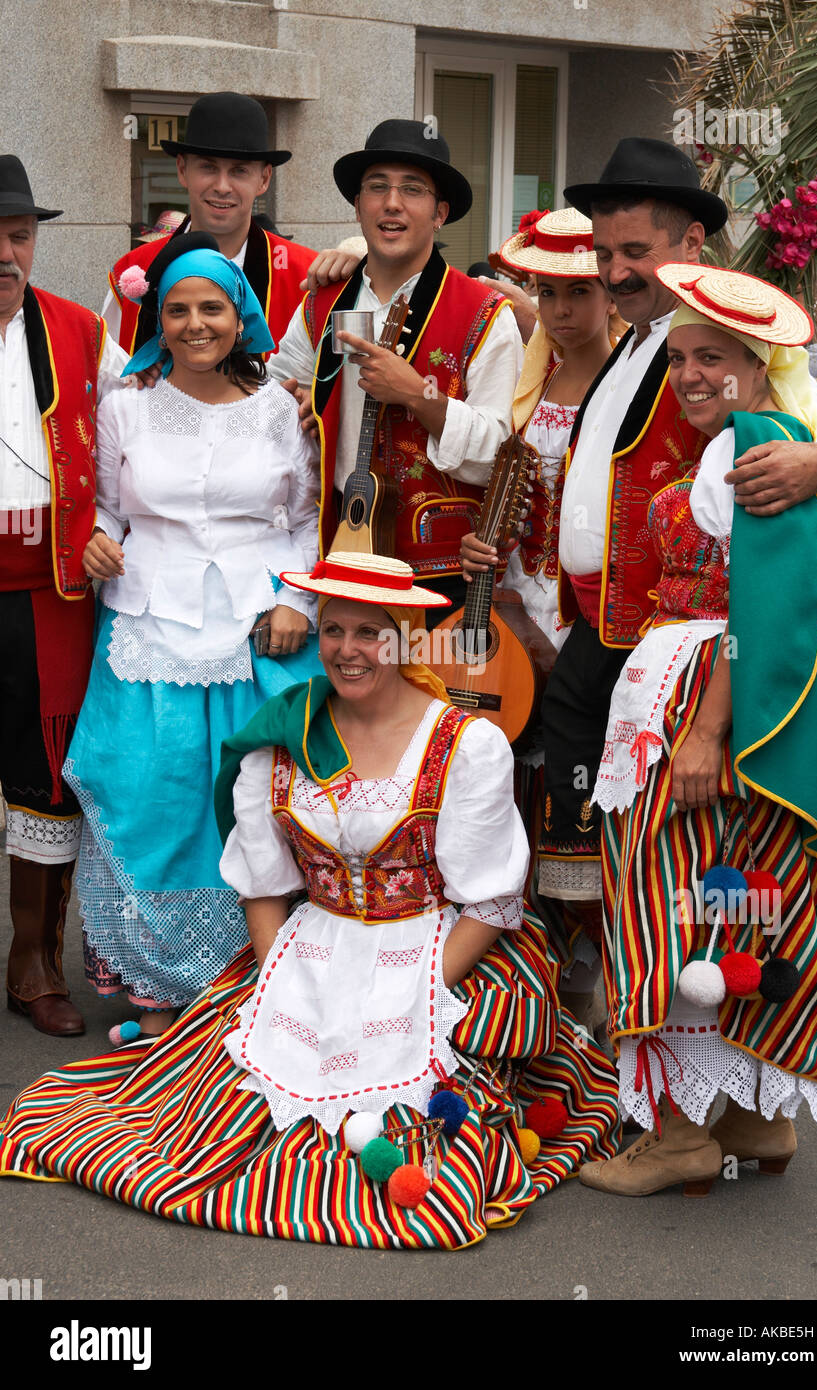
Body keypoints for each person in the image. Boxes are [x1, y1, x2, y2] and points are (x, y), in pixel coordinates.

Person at [0, 553, 620, 1251]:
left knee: (424, 1096)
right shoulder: (284, 733)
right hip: (312, 942)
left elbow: (491, 904)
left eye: (369, 633)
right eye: (333, 631)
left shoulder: (465, 744)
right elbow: (264, 885)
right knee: (230, 1090)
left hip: (440, 944)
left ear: (407, 637)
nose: (348, 651)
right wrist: (279, 981)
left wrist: (408, 994)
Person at [580, 264, 817, 1196]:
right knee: (753, 899)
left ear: (761, 365)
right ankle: (758, 1120)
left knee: (673, 903)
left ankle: (678, 1139)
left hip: (713, 704)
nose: (692, 375)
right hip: (757, 707)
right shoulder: (794, 434)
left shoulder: (755, 448)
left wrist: (703, 733)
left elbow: (762, 602)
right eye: (681, 358)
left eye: (715, 359)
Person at [539, 137, 817, 931]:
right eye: (603, 252)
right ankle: (612, 987)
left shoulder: (732, 348)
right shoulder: (639, 340)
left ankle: (708, 996)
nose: (614, 273)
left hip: (697, 650)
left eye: (635, 253)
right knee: (608, 855)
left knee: (695, 859)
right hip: (608, 631)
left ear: (693, 246)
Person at [64, 233, 321, 1041]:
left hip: (257, 632)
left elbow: (313, 518)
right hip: (148, 625)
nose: (194, 323)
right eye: (176, 309)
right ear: (157, 319)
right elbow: (108, 507)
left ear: (240, 316)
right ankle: (161, 982)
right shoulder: (125, 406)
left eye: (211, 306)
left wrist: (296, 603)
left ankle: (251, 974)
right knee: (154, 799)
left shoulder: (281, 410)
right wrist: (95, 542)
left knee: (251, 808)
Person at [459, 209, 621, 1025]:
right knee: (509, 770)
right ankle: (520, 955)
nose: (560, 310)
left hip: (591, 612)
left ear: (608, 293)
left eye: (578, 292)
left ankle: (587, 951)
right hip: (518, 602)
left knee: (578, 782)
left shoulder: (629, 379)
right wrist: (483, 546)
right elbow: (508, 488)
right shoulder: (531, 374)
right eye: (546, 292)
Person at [269, 119, 523, 609]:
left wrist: (418, 395)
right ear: (358, 205)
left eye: (413, 189)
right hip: (338, 555)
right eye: (377, 187)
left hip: (443, 574)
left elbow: (499, 452)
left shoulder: (485, 313)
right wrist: (295, 402)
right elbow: (277, 390)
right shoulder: (324, 303)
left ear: (440, 212)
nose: (392, 202)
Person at [0, 155, 128, 1038]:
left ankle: (33, 959)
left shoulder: (80, 328)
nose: (5, 255)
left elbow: (132, 436)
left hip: (50, 587)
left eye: (17, 236)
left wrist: (113, 525)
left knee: (46, 775)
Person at [103, 92, 362, 356]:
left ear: (264, 179)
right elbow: (108, 382)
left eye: (239, 171)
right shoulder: (132, 273)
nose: (222, 187)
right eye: (208, 167)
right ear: (182, 170)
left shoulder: (308, 277)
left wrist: (362, 264)